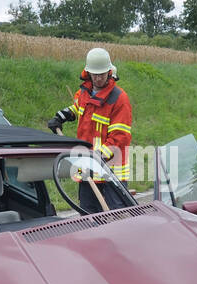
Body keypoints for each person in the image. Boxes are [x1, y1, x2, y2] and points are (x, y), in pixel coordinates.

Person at [47, 47, 133, 212]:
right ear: (88, 73)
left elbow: (120, 137)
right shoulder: (84, 93)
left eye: (102, 74)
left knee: (116, 217)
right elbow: (77, 108)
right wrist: (62, 116)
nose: (99, 78)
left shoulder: (119, 98)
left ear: (109, 72)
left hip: (111, 171)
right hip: (87, 166)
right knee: (88, 215)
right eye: (95, 74)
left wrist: (99, 156)